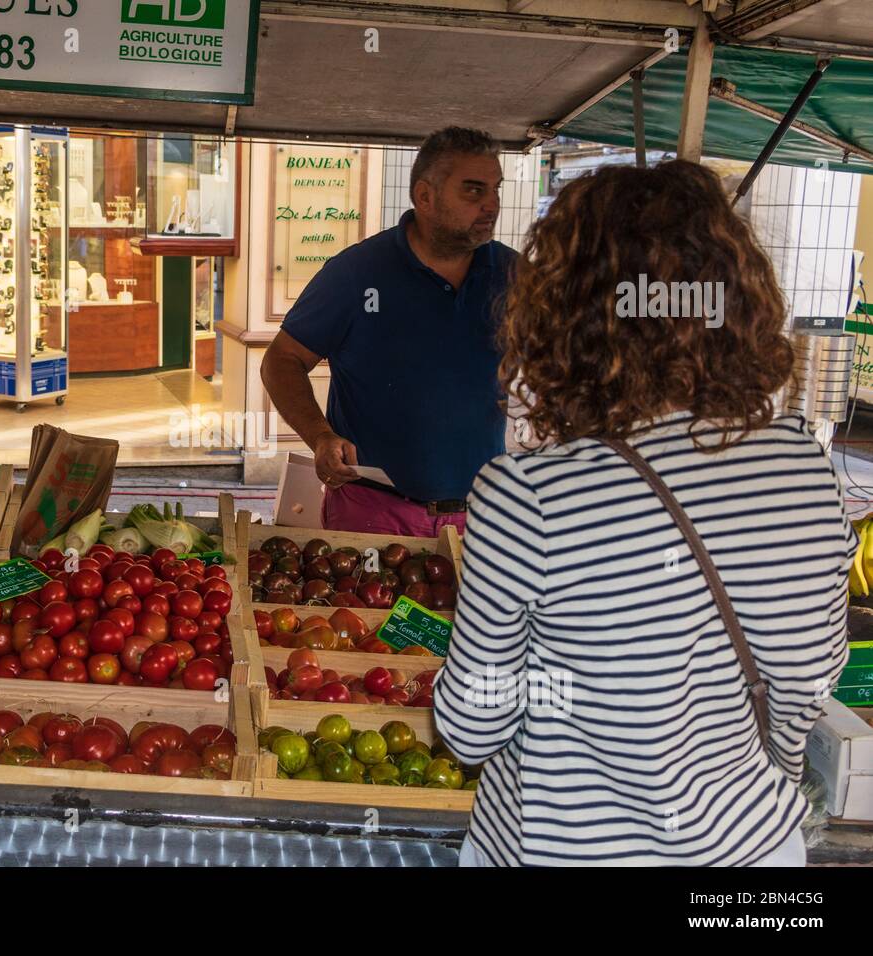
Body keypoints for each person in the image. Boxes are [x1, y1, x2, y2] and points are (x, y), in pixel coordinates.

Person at [433, 160, 855, 867]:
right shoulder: (803, 467)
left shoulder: (528, 495)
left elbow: (471, 728)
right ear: (735, 298)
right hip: (753, 854)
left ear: (566, 315)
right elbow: (807, 680)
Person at [261, 127, 516, 535]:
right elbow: (282, 360)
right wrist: (320, 437)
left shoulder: (516, 276)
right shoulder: (356, 272)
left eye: (495, 189)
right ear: (424, 196)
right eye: (473, 190)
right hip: (373, 511)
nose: (491, 205)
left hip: (483, 516)